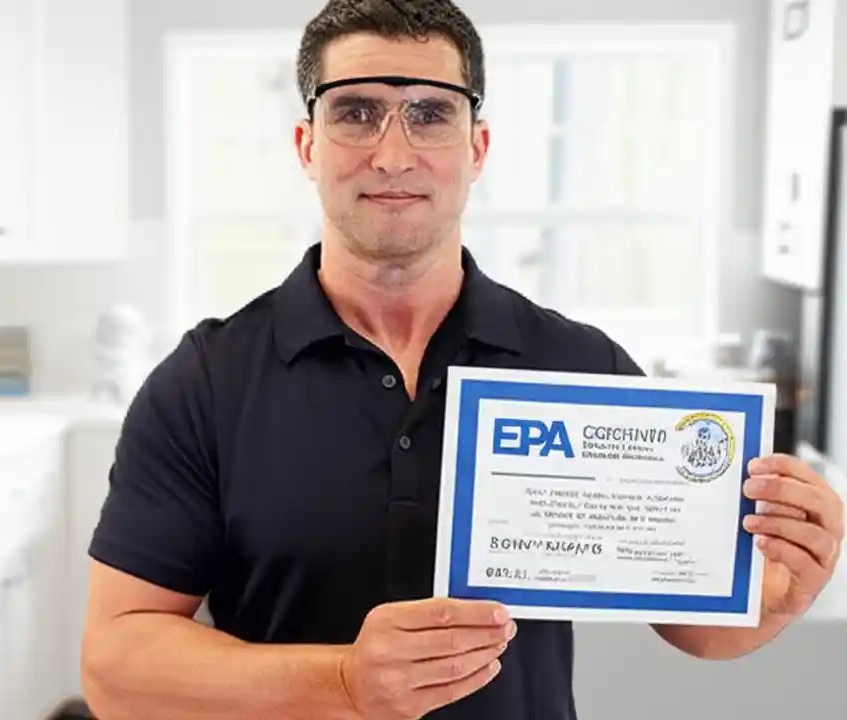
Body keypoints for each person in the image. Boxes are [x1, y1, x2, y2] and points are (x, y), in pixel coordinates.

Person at [80, 1, 846, 718]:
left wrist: (779, 594)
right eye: (355, 112)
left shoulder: (577, 365)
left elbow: (698, 628)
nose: (392, 154)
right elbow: (115, 667)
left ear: (475, 147)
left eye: (429, 114)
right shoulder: (206, 382)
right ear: (307, 145)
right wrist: (344, 683)